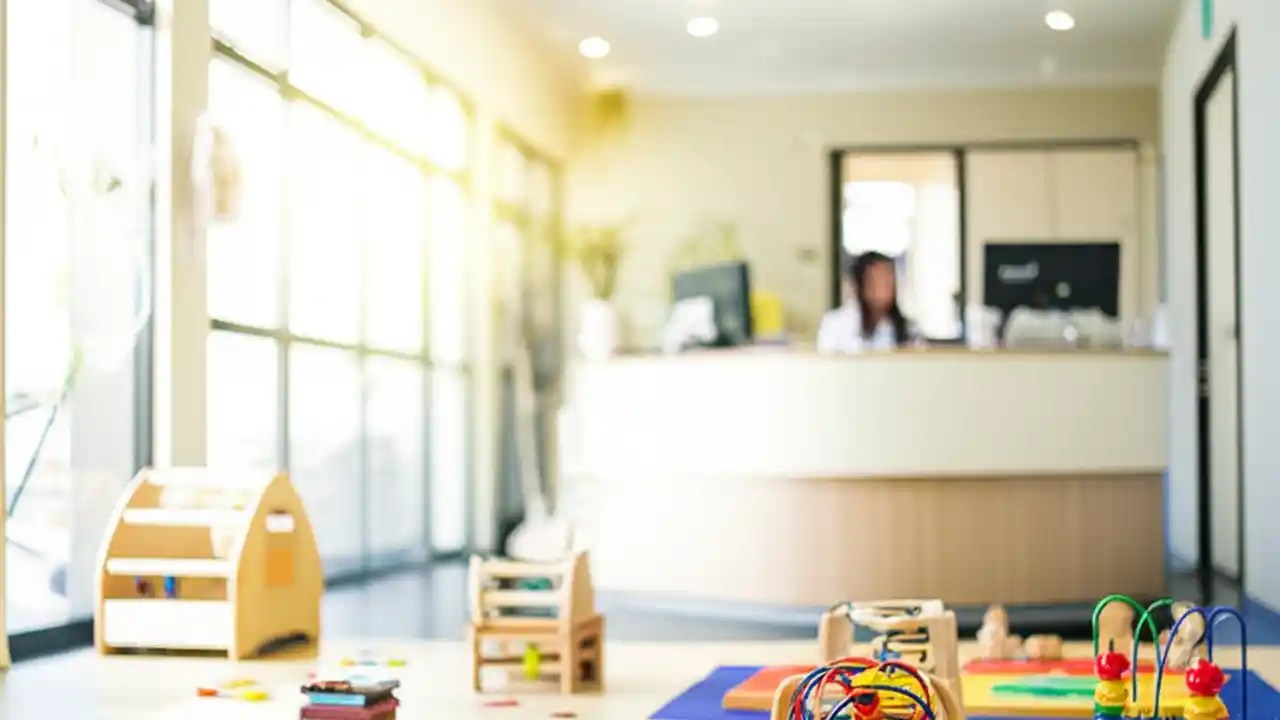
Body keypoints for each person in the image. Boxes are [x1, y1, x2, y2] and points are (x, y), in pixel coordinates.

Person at [817, 251, 915, 353]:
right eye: (877, 280)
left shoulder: (904, 328)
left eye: (888, 281)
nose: (884, 289)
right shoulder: (835, 323)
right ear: (861, 285)